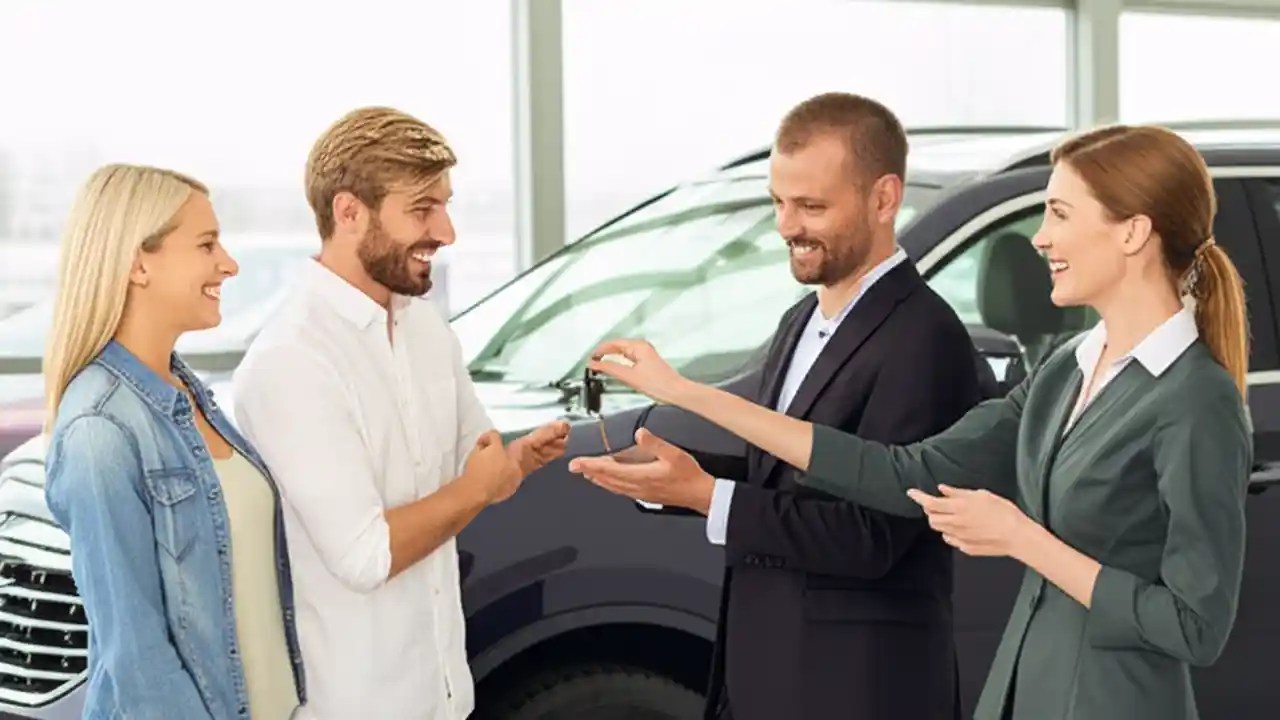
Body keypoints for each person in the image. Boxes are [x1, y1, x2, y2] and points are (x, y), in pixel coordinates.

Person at [570, 124, 1251, 720]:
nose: (1040, 238)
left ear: (1133, 231)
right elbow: (901, 471)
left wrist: (1022, 539)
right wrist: (691, 397)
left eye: (1059, 214)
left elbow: (1196, 627)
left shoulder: (1196, 401)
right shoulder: (1071, 366)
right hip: (1025, 690)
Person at [578, 92, 984, 720]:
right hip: (766, 675)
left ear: (884, 199)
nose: (787, 226)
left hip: (860, 692)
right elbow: (792, 477)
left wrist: (709, 498)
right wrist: (683, 477)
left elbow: (876, 533)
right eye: (779, 202)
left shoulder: (925, 337)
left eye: (811, 206)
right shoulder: (801, 319)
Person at [231, 106, 570, 720]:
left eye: (445, 204)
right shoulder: (292, 360)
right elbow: (366, 555)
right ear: (348, 212)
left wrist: (510, 464)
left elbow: (477, 463)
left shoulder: (425, 330)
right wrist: (479, 486)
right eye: (422, 209)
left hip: (445, 696)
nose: (446, 231)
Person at [42, 164, 308, 719]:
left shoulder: (186, 391)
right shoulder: (100, 428)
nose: (229, 264)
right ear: (138, 262)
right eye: (206, 244)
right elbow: (136, 660)